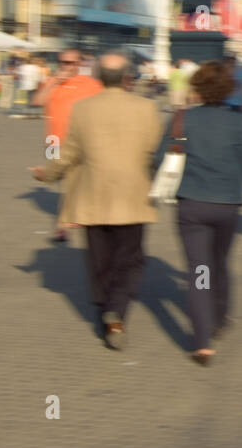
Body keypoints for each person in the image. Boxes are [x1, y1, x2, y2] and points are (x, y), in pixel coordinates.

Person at [159, 60, 242, 364]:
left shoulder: (182, 119)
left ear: (197, 88)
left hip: (191, 204)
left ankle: (203, 341)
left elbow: (158, 159)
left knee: (199, 270)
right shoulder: (239, 122)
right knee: (219, 262)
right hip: (228, 207)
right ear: (229, 89)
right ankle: (220, 316)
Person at [30, 53, 163, 349]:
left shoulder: (83, 108)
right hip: (134, 195)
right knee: (130, 258)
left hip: (94, 194)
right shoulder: (147, 107)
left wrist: (47, 175)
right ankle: (115, 313)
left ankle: (104, 306)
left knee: (99, 257)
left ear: (99, 78)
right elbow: (155, 153)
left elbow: (69, 154)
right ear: (128, 78)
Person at [33, 48, 104, 243]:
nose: (66, 67)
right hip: (53, 140)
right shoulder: (52, 81)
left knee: (72, 180)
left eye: (71, 63)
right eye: (63, 62)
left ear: (79, 64)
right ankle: (73, 216)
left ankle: (63, 225)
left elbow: (105, 105)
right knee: (60, 179)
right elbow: (37, 101)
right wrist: (55, 82)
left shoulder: (91, 84)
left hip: (79, 141)